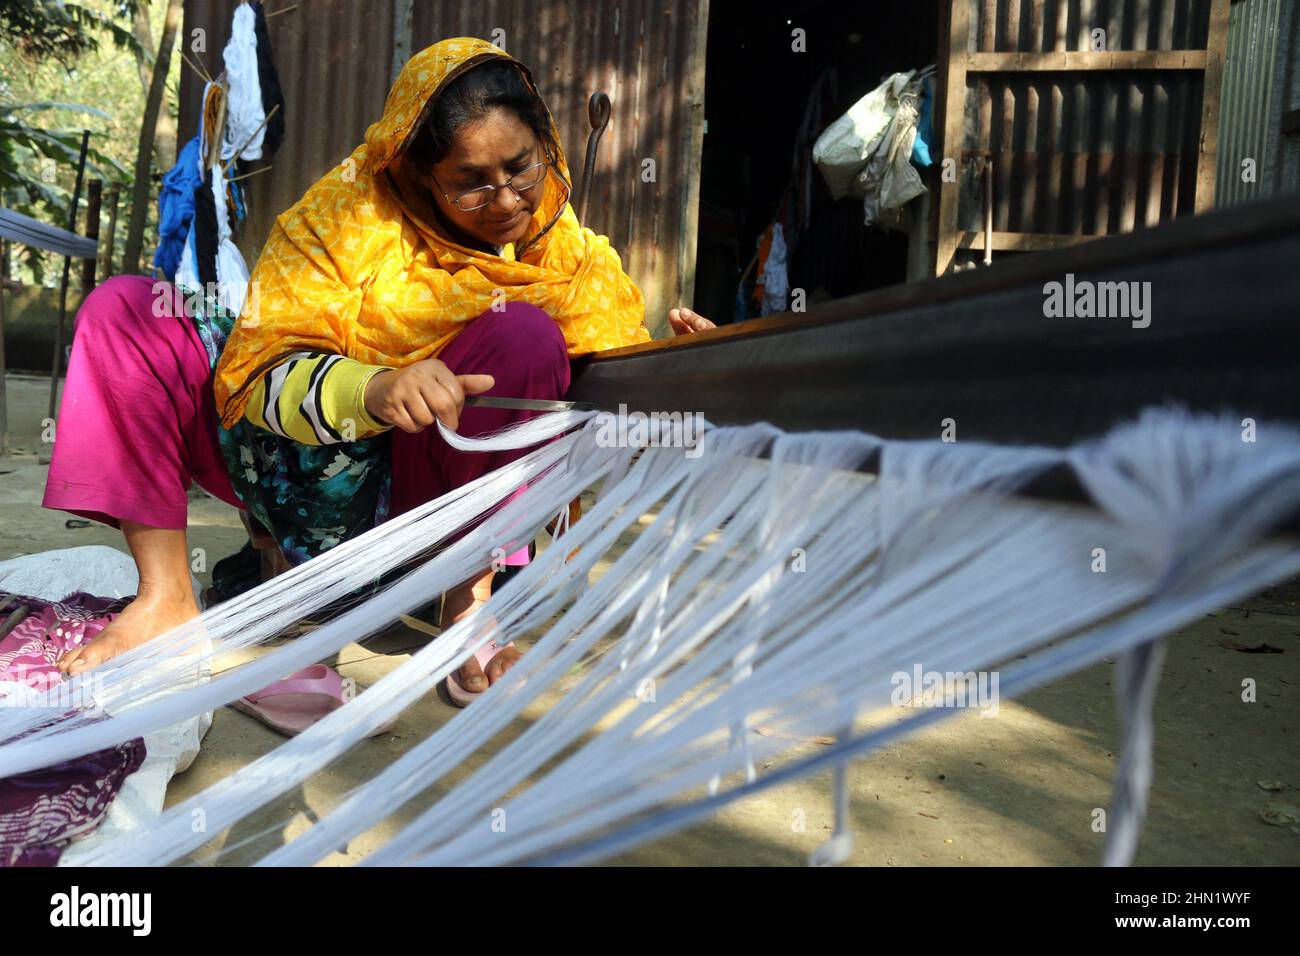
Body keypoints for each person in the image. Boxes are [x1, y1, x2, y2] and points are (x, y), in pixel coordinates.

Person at [43, 37, 715, 698]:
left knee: (529, 339)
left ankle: (468, 606)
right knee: (129, 308)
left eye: (521, 167)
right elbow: (260, 366)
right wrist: (375, 385)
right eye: (470, 182)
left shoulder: (571, 262)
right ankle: (166, 602)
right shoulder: (344, 218)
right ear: (419, 174)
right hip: (280, 465)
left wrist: (684, 366)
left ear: (548, 146)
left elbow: (596, 397)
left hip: (411, 505)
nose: (507, 199)